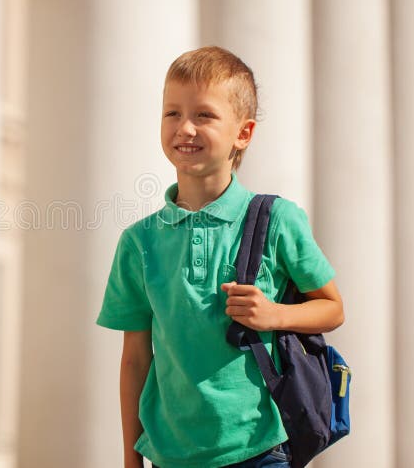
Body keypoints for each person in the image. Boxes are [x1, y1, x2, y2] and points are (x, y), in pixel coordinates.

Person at [95, 46, 345, 468]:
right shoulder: (139, 242)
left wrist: (274, 315)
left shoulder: (277, 220)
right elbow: (135, 358)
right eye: (172, 113)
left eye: (204, 115)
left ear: (242, 133)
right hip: (170, 454)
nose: (184, 128)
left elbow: (332, 308)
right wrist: (130, 458)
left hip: (260, 448)